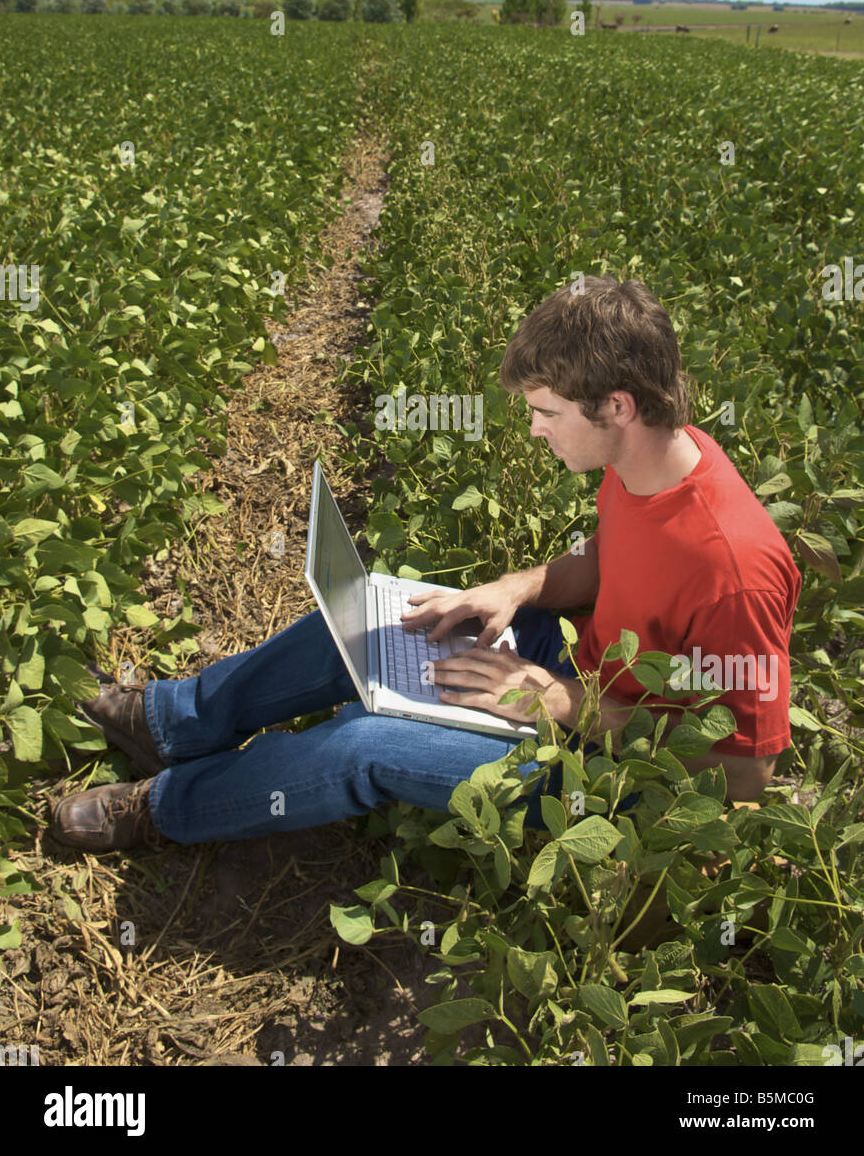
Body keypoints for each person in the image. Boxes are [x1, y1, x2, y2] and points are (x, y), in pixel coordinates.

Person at [50, 274, 801, 853]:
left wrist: (558, 704)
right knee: (379, 619)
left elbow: (742, 775)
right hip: (581, 670)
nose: (535, 431)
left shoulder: (735, 568)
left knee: (362, 747)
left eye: (545, 412)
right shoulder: (651, 462)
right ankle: (168, 722)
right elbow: (603, 557)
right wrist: (517, 589)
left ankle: (164, 808)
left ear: (617, 407)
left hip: (622, 781)